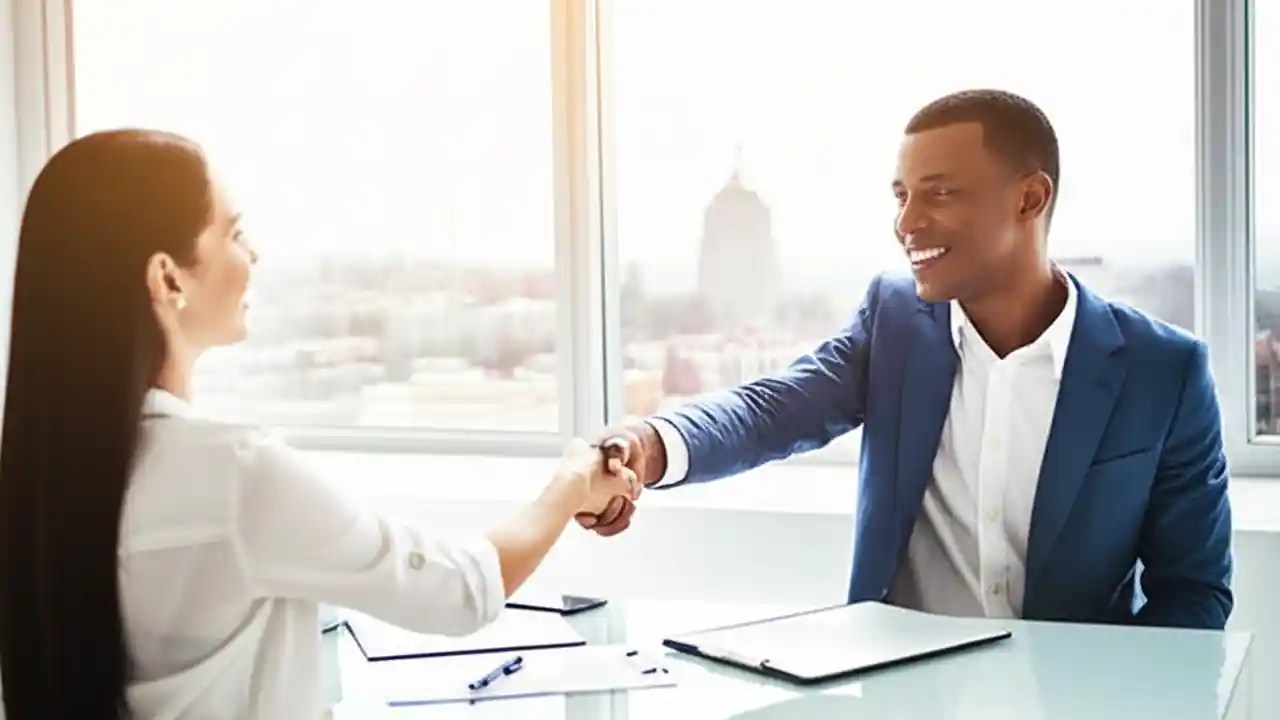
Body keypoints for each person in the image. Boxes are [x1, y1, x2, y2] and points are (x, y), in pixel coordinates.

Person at [0, 129, 639, 719]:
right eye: (234, 233)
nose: (254, 253)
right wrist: (573, 484)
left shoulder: (39, 478)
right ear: (168, 277)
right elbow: (461, 592)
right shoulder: (233, 473)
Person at [581, 89, 1233, 630]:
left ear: (1029, 199)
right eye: (901, 196)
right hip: (898, 691)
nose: (906, 223)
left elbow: (1193, 591)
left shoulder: (1164, 371)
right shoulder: (895, 321)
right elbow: (771, 411)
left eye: (939, 193)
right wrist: (647, 447)